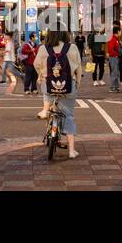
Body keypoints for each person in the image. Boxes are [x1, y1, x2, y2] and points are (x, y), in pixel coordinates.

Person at [35, 30, 81, 159]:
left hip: (49, 84)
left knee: (46, 88)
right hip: (68, 85)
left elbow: (36, 64)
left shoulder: (44, 48)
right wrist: (77, 82)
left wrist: (41, 75)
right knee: (69, 116)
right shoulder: (72, 47)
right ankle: (72, 151)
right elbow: (79, 67)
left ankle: (45, 110)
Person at [1, 30, 20, 95]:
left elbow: (8, 51)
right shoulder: (8, 42)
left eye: (5, 36)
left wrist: (2, 53)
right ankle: (4, 80)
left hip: (10, 59)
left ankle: (22, 76)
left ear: (9, 36)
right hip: (7, 59)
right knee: (4, 70)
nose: (4, 37)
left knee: (12, 70)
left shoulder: (9, 43)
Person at [106, 26, 122, 92]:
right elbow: (110, 49)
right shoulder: (113, 39)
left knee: (117, 72)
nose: (120, 32)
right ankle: (112, 88)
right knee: (114, 72)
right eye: (120, 31)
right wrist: (116, 54)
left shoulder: (116, 38)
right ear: (117, 31)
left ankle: (116, 87)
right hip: (113, 57)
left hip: (115, 57)